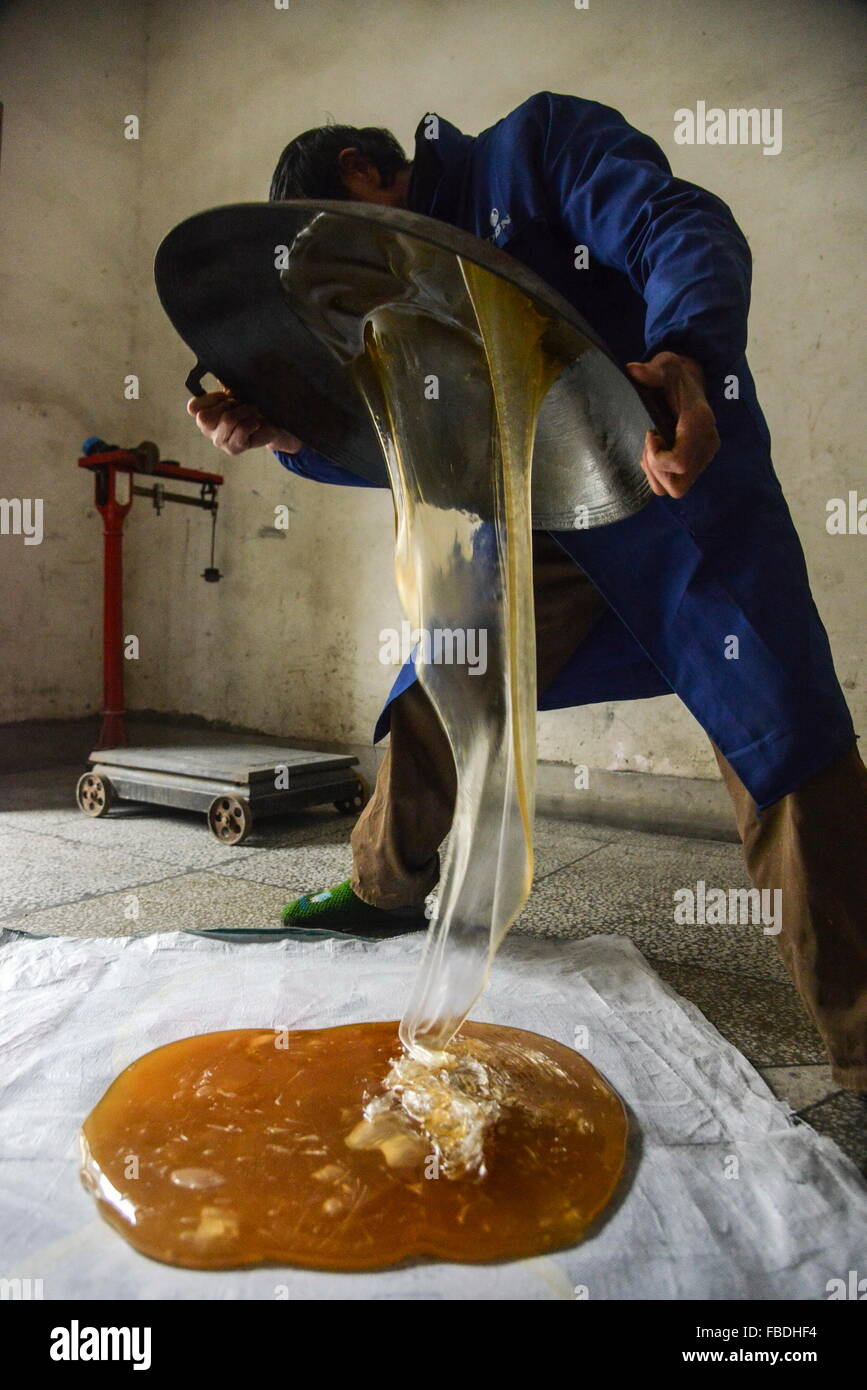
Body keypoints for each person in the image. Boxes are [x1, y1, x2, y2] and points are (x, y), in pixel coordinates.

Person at [187, 93, 866, 1092]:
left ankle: (860, 1031)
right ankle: (383, 890)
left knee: (783, 739)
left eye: (351, 235)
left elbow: (679, 222)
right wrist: (285, 433)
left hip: (673, 483)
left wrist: (693, 352)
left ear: (365, 170)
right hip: (540, 522)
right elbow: (403, 445)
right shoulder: (408, 300)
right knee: (437, 694)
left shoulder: (535, 150)